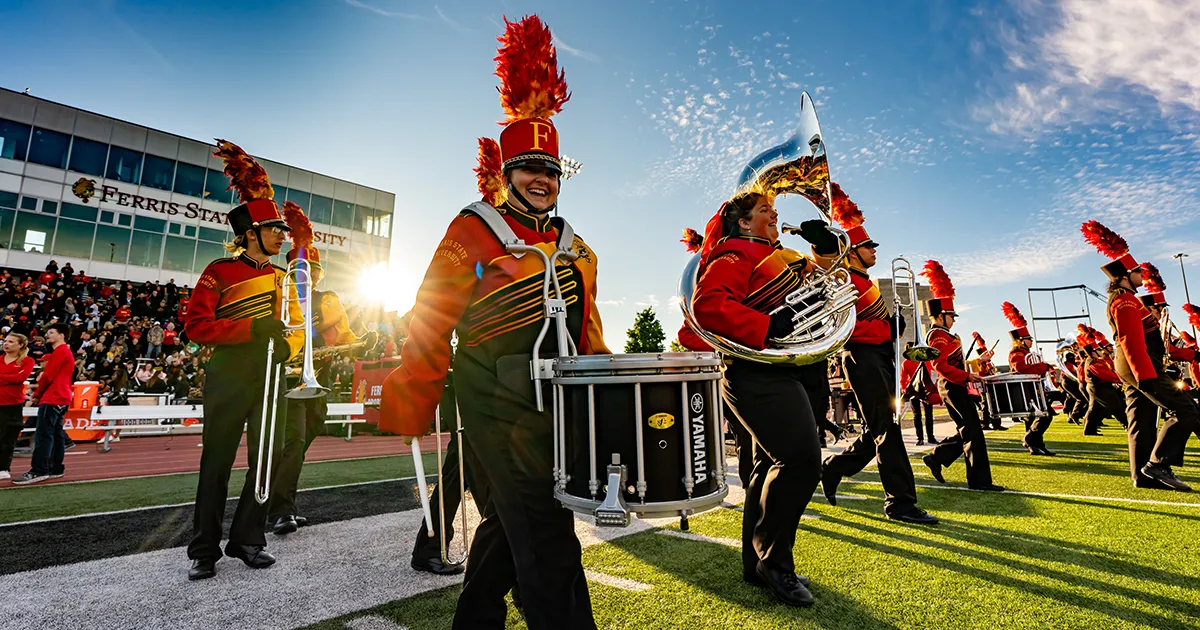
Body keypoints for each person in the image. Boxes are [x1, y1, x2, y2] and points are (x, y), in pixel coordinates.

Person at [380, 16, 607, 629]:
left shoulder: (576, 247)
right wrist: (417, 388)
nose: (542, 179)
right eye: (529, 167)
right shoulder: (472, 231)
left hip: (553, 406)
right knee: (546, 529)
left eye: (552, 170)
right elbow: (430, 317)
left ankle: (475, 618)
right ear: (506, 174)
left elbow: (590, 335)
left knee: (512, 527)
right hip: (491, 402)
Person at [688, 190, 820, 607]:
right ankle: (774, 561)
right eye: (766, 211)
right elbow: (707, 307)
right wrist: (766, 323)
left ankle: (755, 560)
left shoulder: (774, 255)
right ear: (744, 222)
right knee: (800, 461)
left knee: (767, 465)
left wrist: (829, 248)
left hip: (782, 368)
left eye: (774, 210)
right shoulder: (734, 254)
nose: (775, 215)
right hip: (754, 371)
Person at [182, 140, 304, 580]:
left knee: (267, 459)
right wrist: (251, 330)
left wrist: (291, 345)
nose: (281, 236)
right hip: (230, 372)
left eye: (282, 231)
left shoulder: (281, 276)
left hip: (271, 374)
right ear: (249, 233)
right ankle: (203, 549)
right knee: (216, 462)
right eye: (274, 229)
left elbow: (288, 325)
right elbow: (196, 328)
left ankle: (249, 538)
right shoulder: (219, 271)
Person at [799, 191, 937, 525]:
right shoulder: (842, 277)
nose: (875, 250)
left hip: (879, 359)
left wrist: (893, 328)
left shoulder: (865, 281)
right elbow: (846, 329)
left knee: (878, 429)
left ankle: (832, 469)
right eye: (869, 246)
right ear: (853, 251)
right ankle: (900, 503)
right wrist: (888, 329)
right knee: (888, 430)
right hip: (861, 358)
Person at [267, 203, 374, 535]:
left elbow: (344, 335)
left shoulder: (327, 299)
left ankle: (277, 496)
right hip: (288, 376)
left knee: (308, 433)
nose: (308, 275)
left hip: (319, 376)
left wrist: (363, 341)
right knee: (294, 439)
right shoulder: (278, 295)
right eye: (301, 268)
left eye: (312, 269)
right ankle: (281, 509)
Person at [1083, 221, 1195, 490]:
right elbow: (1129, 340)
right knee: (1186, 409)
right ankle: (1157, 464)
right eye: (1135, 272)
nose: (1140, 277)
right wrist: (1144, 375)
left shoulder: (1128, 299)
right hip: (1140, 367)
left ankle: (1142, 476)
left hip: (1135, 367)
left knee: (1142, 421)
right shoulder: (1125, 300)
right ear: (1124, 276)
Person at [919, 261, 1004, 492]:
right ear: (941, 315)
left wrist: (979, 363)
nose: (954, 319)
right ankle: (979, 482)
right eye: (951, 315)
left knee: (969, 430)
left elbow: (955, 363)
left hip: (955, 384)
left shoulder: (944, 333)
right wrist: (968, 377)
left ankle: (936, 457)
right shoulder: (938, 334)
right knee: (973, 431)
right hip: (952, 386)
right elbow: (940, 365)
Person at [13, 323, 73, 485]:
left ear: (61, 335)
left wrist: (38, 395)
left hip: (53, 397)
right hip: (62, 397)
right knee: (56, 433)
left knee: (43, 435)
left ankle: (39, 470)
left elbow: (48, 376)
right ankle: (55, 468)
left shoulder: (60, 352)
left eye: (51, 332)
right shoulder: (65, 352)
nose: (47, 335)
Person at [1002, 302, 1055, 455]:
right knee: (1045, 415)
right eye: (1028, 338)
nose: (1031, 341)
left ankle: (1036, 445)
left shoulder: (1025, 353)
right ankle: (1030, 439)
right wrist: (1042, 366)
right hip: (1024, 390)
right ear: (1021, 340)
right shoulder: (1016, 353)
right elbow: (1021, 368)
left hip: (1032, 389)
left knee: (1034, 418)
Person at [1076, 326, 1125, 435]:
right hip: (1099, 387)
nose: (1101, 351)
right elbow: (1107, 375)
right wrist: (1123, 379)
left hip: (1097, 387)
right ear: (1093, 352)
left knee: (1095, 409)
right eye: (1098, 350)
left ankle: (1089, 430)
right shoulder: (1093, 362)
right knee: (1118, 406)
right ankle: (1127, 424)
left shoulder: (1094, 360)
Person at [0, 332, 34, 481]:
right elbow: (14, 378)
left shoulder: (27, 361)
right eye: (6, 341)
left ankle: (3, 467)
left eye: (11, 342)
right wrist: (9, 378)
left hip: (12, 404)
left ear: (21, 345)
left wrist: (3, 378)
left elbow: (20, 378)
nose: (6, 344)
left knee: (7, 437)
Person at [900, 344, 939, 445]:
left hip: (919, 390)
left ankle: (923, 438)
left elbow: (903, 379)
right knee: (924, 415)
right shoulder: (914, 362)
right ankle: (927, 437)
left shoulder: (907, 362)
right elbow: (903, 378)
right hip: (920, 389)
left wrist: (904, 388)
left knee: (920, 415)